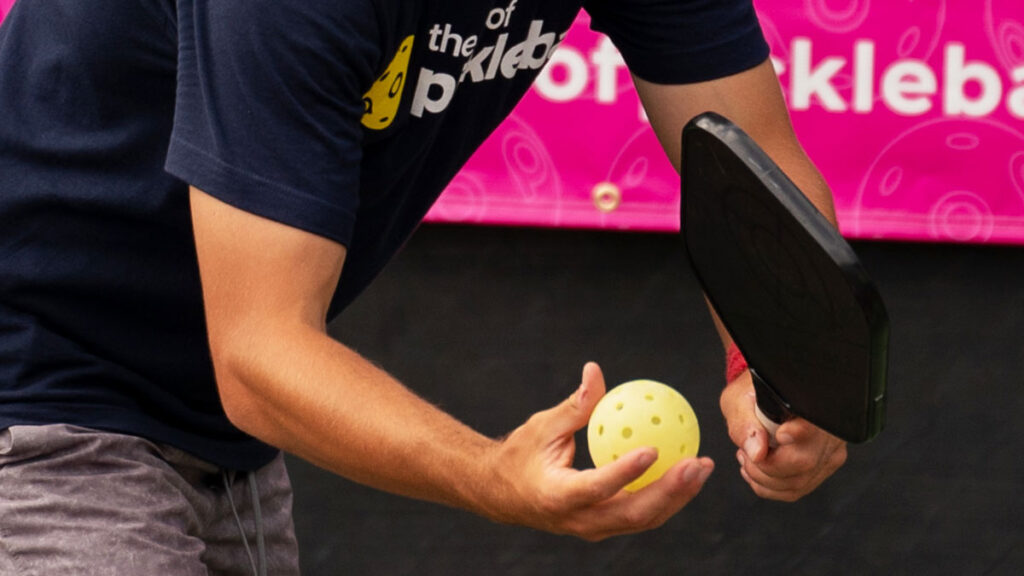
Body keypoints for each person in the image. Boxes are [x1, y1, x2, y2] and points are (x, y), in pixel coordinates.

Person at [0, 0, 847, 574]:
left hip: (223, 443)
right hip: (38, 405)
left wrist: (779, 365)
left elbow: (753, 164)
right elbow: (258, 351)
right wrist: (489, 474)